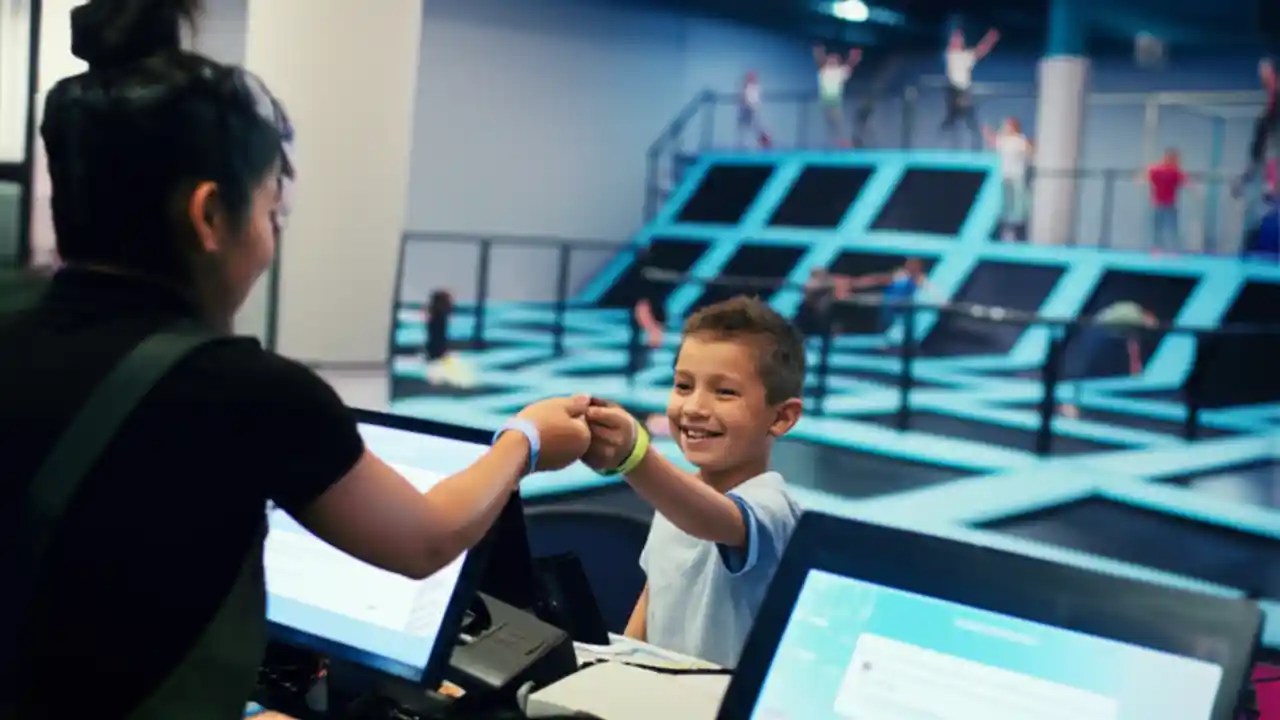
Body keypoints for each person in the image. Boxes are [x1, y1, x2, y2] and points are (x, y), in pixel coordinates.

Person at [0, 2, 593, 716]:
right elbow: (424, 538)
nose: (271, 241)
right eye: (270, 212)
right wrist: (524, 441)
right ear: (211, 215)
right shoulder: (243, 392)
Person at [581, 296, 804, 667]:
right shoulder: (677, 500)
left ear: (781, 418)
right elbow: (655, 595)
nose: (694, 407)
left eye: (725, 392)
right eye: (684, 386)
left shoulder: (773, 508)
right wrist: (612, 668)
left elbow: (714, 520)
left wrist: (632, 455)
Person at [1059, 302, 1159, 419]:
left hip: (1100, 337)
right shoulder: (1131, 312)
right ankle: (1070, 406)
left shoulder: (1130, 318)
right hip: (1097, 336)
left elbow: (1133, 344)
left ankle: (1071, 406)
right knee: (1079, 371)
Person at [941, 27, 1000, 150]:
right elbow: (978, 51)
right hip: (953, 89)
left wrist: (989, 39)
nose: (957, 41)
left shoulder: (965, 56)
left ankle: (973, 142)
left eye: (959, 39)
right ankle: (948, 141)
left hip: (963, 90)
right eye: (955, 39)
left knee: (967, 117)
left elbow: (980, 51)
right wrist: (989, 39)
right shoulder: (951, 54)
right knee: (953, 117)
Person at [1234, 58, 1280, 198]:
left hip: (1273, 125)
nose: (1261, 76)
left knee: (1270, 151)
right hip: (1268, 125)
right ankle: (1247, 179)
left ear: (1272, 71)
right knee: (1258, 156)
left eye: (1264, 72)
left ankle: (1270, 186)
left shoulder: (1276, 85)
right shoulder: (1271, 89)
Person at [853, 258, 931, 337]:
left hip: (906, 323)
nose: (907, 265)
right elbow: (876, 280)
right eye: (908, 262)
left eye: (912, 263)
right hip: (887, 317)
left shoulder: (926, 285)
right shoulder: (900, 277)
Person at [983, 118, 1033, 241]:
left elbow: (1030, 150)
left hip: (1016, 177)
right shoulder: (1004, 140)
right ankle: (1006, 232)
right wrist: (987, 132)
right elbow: (993, 142)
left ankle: (1017, 232)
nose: (1005, 128)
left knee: (1018, 207)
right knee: (1005, 206)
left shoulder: (1020, 140)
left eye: (1007, 126)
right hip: (1005, 176)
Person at [813, 44, 862, 149]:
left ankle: (843, 141)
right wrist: (818, 52)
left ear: (837, 62)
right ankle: (833, 143)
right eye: (830, 60)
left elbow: (849, 66)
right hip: (826, 101)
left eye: (833, 60)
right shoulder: (824, 71)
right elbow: (820, 61)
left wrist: (854, 57)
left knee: (837, 122)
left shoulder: (839, 72)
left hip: (834, 101)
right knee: (829, 123)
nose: (831, 61)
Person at [1143, 148, 1189, 253]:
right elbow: (1147, 175)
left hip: (1170, 203)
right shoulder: (1157, 170)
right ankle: (1157, 248)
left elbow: (1185, 181)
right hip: (1158, 203)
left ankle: (1173, 249)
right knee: (1158, 226)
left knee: (1172, 227)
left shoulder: (1175, 172)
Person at [736, 71, 772, 150]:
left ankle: (763, 142)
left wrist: (751, 105)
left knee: (756, 127)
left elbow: (755, 100)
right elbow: (743, 99)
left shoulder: (756, 87)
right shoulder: (745, 87)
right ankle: (747, 145)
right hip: (746, 111)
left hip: (753, 110)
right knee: (746, 128)